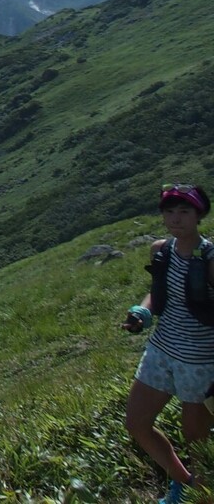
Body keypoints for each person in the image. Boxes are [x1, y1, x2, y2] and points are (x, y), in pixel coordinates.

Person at [124, 183, 214, 504]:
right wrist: (142, 312)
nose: (176, 218)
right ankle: (183, 482)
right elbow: (158, 292)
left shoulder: (210, 258)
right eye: (170, 211)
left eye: (184, 211)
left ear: (198, 215)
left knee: (196, 440)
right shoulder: (161, 250)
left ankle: (202, 495)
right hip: (161, 349)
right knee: (137, 423)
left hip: (200, 360)